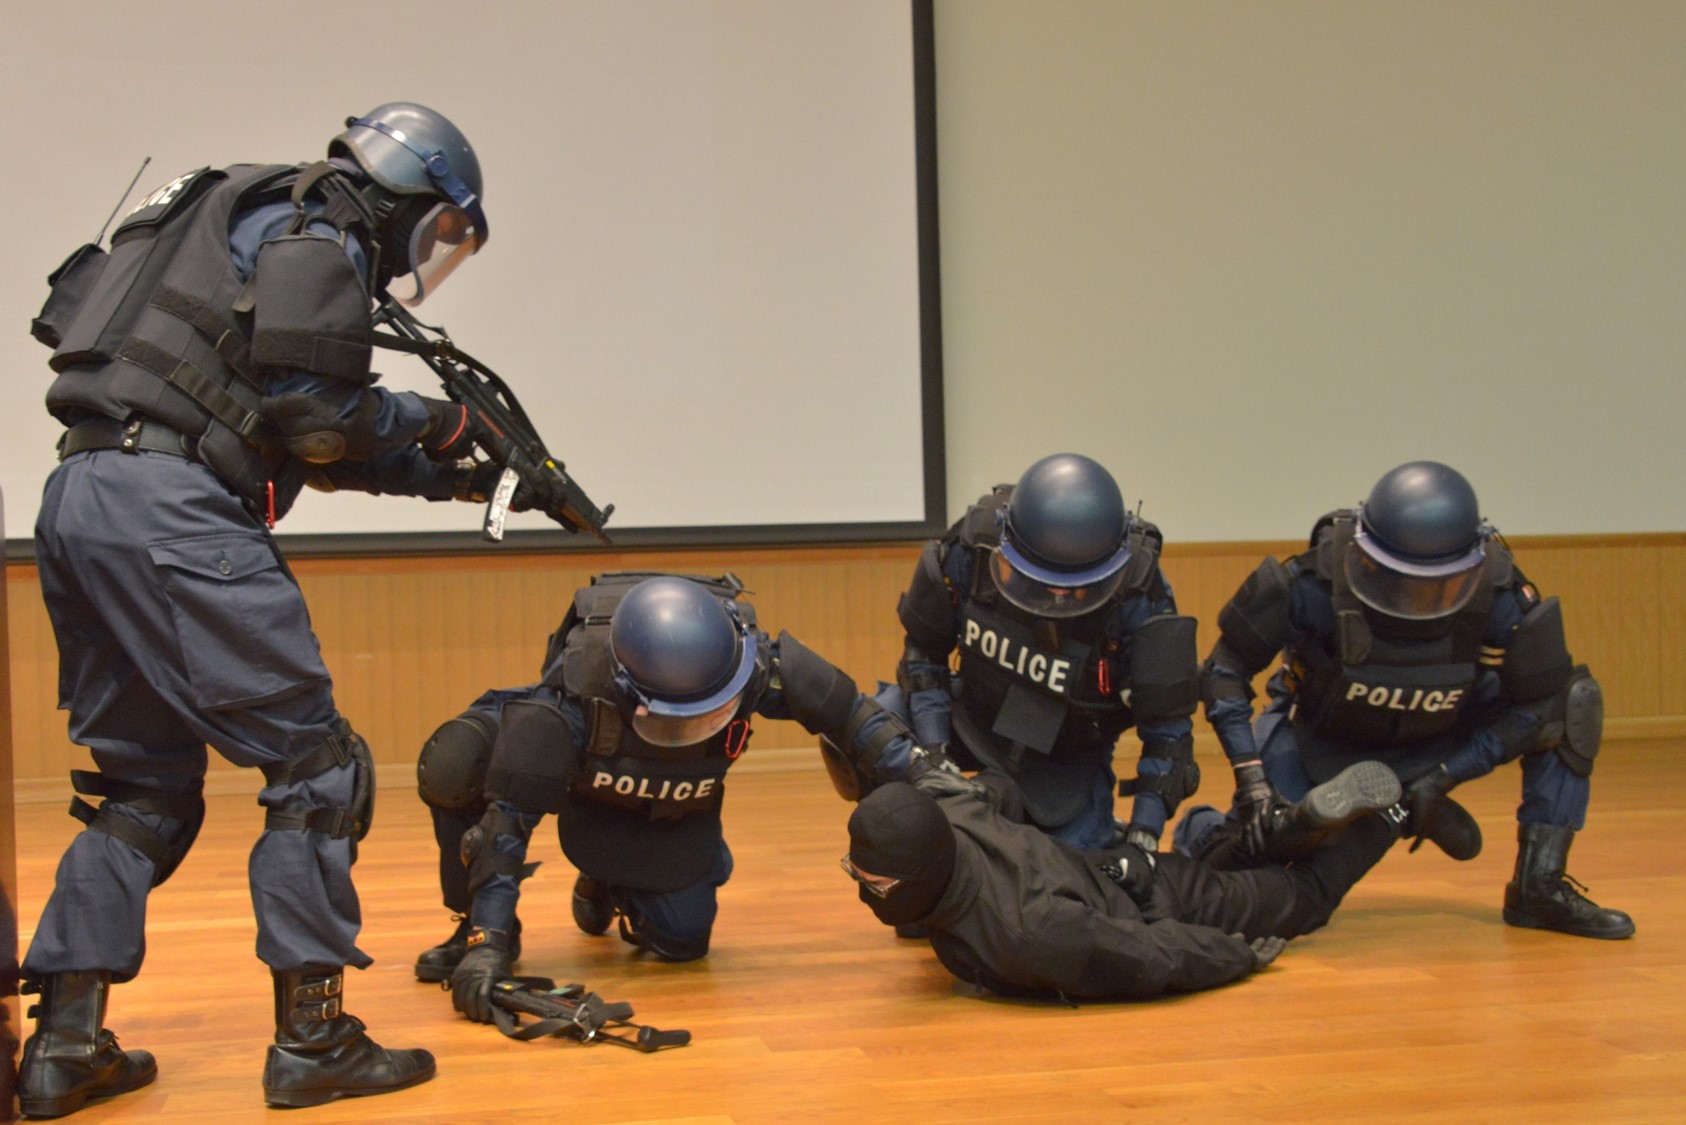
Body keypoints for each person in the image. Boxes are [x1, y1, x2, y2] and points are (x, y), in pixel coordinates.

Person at [19, 102, 500, 1114]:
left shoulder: (224, 216)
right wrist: (446, 417)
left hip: (82, 498)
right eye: (439, 226)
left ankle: (64, 1047)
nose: (430, 252)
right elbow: (320, 417)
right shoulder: (315, 230)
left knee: (143, 788)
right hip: (171, 514)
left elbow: (277, 426)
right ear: (404, 195)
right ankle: (315, 1040)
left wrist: (446, 475)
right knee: (318, 769)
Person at [412, 572, 927, 1024]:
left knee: (684, 943)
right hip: (589, 782)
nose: (692, 726)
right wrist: (489, 941)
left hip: (672, 805)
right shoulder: (574, 699)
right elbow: (508, 823)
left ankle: (609, 883)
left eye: (708, 710)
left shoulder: (749, 667)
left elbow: (855, 716)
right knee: (455, 762)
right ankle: (467, 924)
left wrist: (927, 774)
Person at [1176, 461, 1633, 940]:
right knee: (1257, 848)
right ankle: (1204, 830)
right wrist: (1252, 780)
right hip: (1325, 740)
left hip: (1443, 738)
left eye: (1439, 583)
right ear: (1363, 552)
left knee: (1572, 702)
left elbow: (1537, 707)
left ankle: (1538, 887)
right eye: (1400, 578)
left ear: (1475, 559)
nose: (1418, 596)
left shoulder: (1499, 593)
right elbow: (1224, 673)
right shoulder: (1313, 583)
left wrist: (1448, 774)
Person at [840, 758, 1408, 1001]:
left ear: (923, 877)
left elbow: (1147, 955)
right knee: (1225, 881)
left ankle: (1403, 809)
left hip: (1144, 904)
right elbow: (1001, 789)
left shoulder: (1029, 933)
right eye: (856, 874)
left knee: (1302, 901)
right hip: (1104, 872)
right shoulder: (949, 809)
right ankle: (1292, 824)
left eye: (875, 884)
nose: (865, 894)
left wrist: (1235, 958)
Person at [891, 453, 1200, 854]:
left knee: (1072, 886)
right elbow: (923, 656)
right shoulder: (975, 545)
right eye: (1044, 582)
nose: (1058, 596)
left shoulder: (1140, 592)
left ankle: (1103, 832)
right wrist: (933, 756)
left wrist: (1143, 840)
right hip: (971, 720)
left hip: (1066, 760)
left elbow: (1168, 733)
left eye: (1076, 588)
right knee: (882, 726)